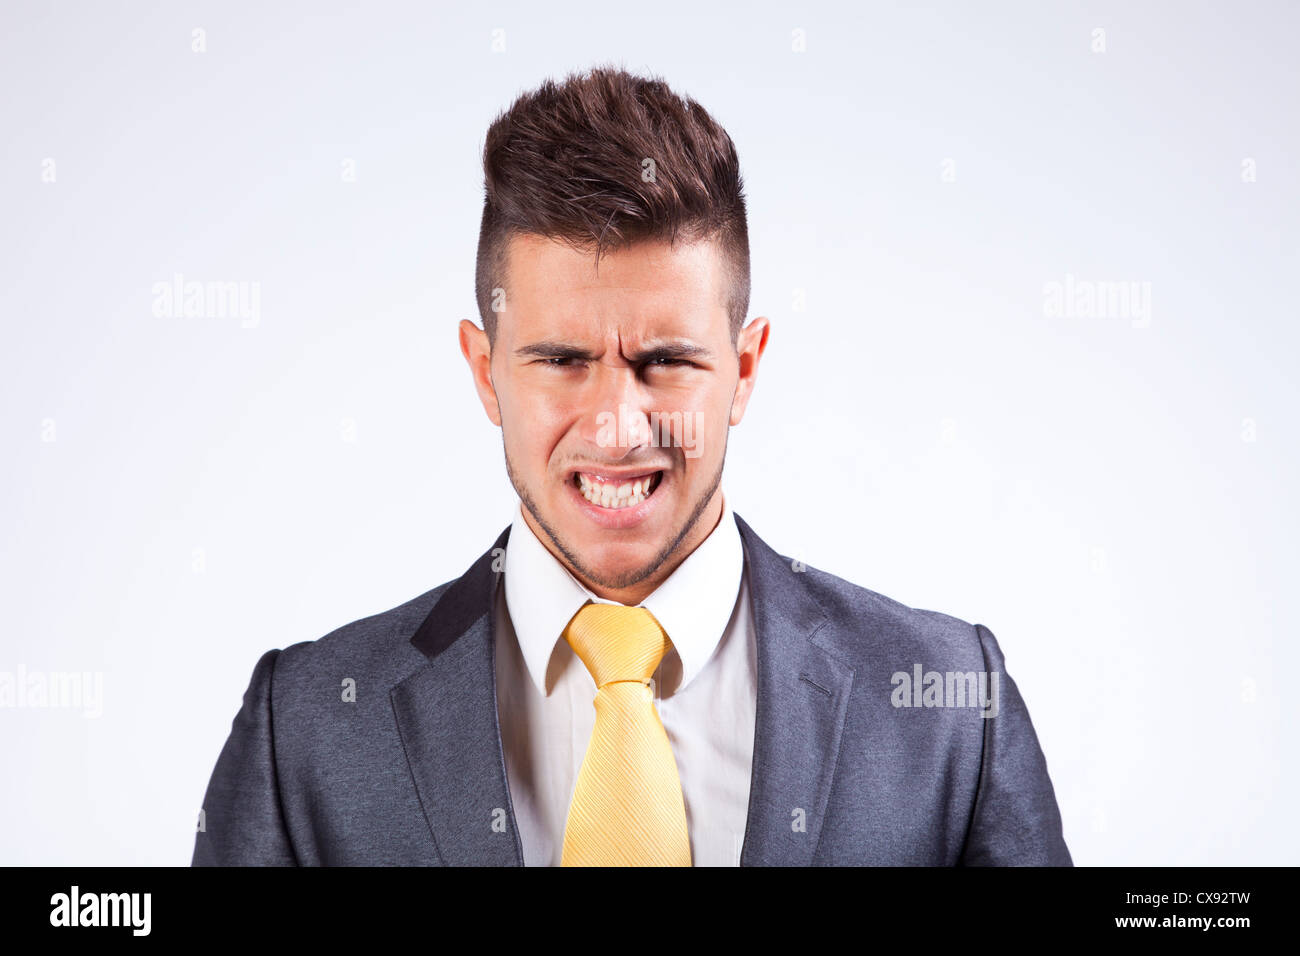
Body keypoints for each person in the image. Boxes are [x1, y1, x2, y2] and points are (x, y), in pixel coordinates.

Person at [192, 65, 1071, 866]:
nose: (616, 428)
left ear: (745, 368)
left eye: (665, 361)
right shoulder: (305, 729)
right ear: (484, 370)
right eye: (562, 360)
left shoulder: (953, 711)